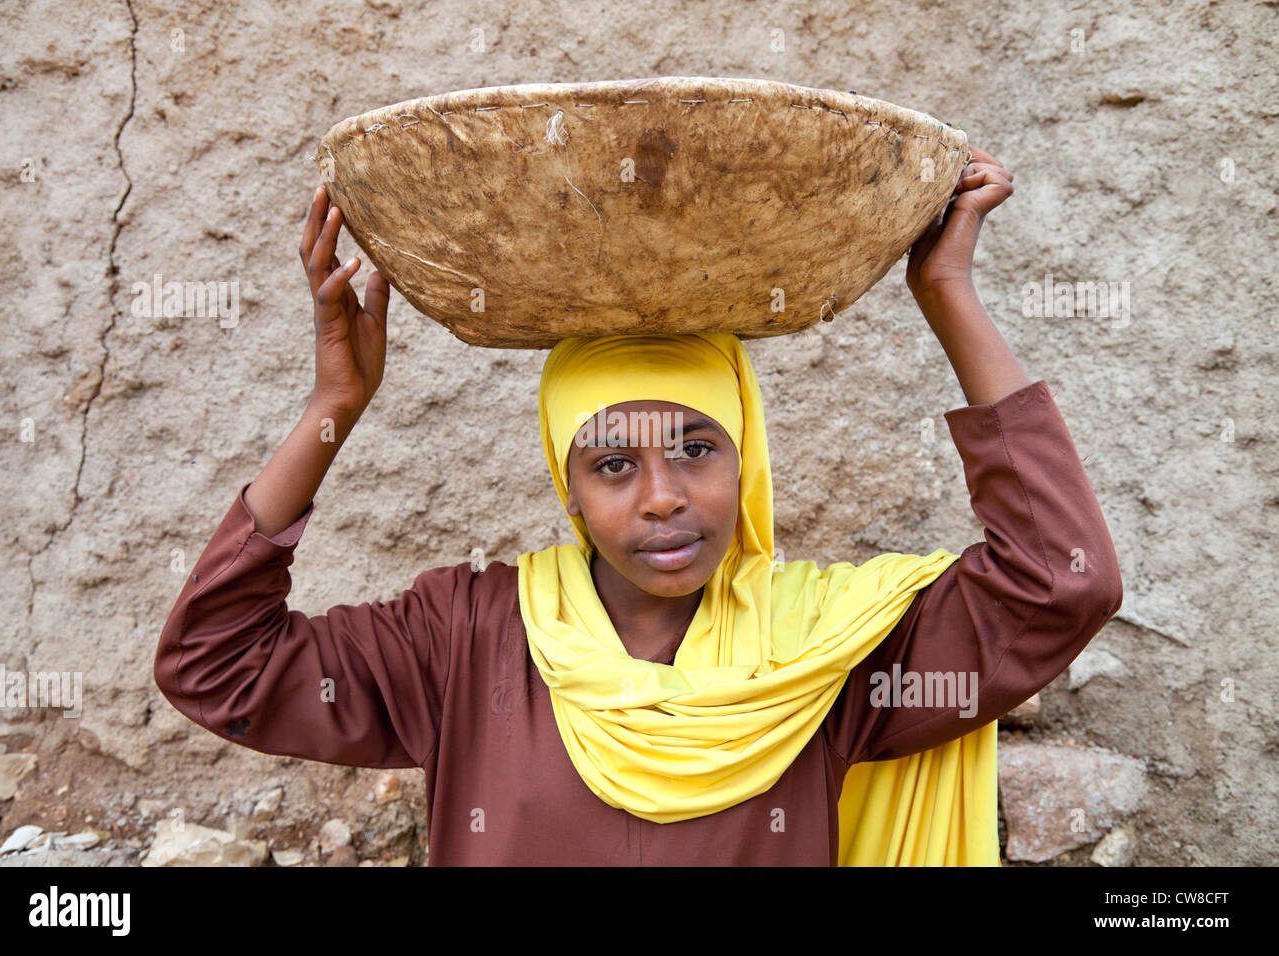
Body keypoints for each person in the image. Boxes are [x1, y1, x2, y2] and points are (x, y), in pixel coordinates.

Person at [153, 147, 1123, 865]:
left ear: (745, 462)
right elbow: (217, 665)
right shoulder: (466, 636)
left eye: (698, 448)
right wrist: (333, 408)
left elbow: (1060, 584)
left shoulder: (823, 655)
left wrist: (947, 290)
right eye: (613, 463)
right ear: (565, 488)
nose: (663, 495)